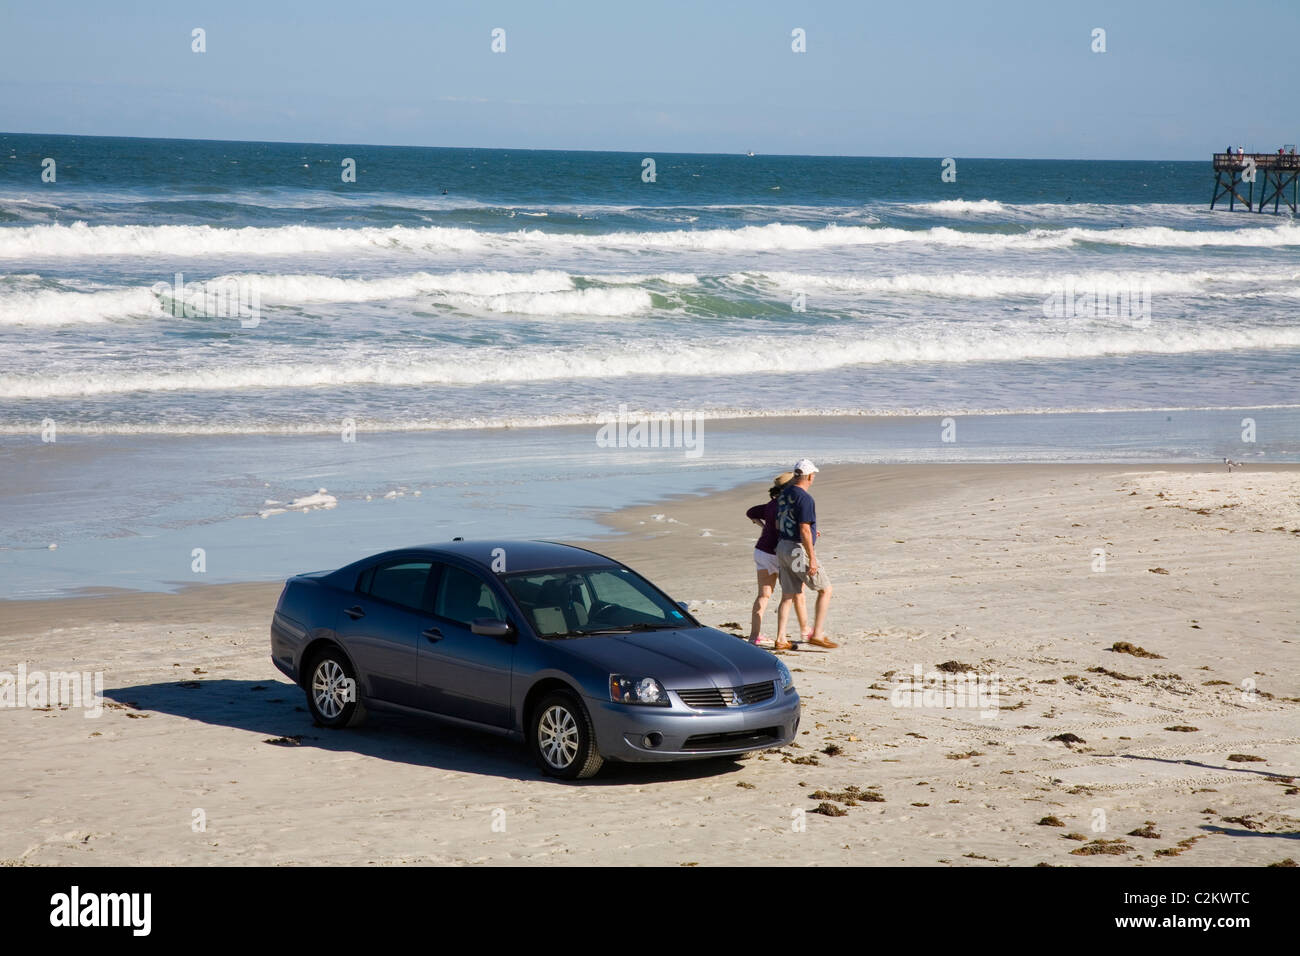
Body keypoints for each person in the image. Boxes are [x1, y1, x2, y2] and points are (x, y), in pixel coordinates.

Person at [774, 458, 836, 650]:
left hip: (782, 546)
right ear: (809, 476)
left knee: (788, 595)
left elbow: (780, 522)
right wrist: (813, 558)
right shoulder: (805, 498)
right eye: (813, 475)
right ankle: (817, 633)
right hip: (797, 548)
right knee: (825, 589)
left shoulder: (784, 494)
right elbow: (804, 529)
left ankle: (781, 638)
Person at [744, 472, 805, 645]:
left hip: (762, 551)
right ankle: (805, 631)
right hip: (779, 553)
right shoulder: (786, 505)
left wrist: (762, 526)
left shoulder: (770, 504)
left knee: (763, 595)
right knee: (795, 594)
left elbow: (750, 512)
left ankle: (754, 636)